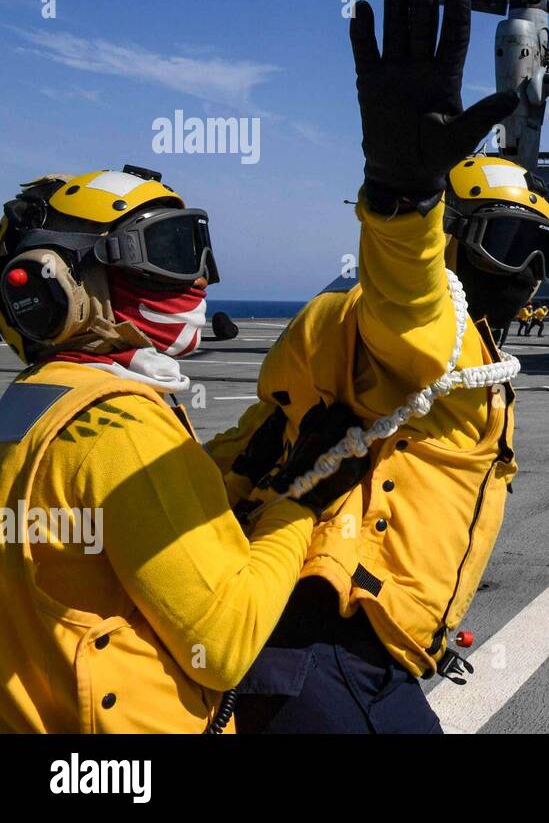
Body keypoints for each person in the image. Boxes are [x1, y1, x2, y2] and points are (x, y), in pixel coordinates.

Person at [207, 0, 549, 734]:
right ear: (454, 239)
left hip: (269, 630)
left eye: (543, 253)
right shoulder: (444, 339)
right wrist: (405, 202)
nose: (526, 274)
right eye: (506, 244)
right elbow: (416, 303)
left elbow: (243, 444)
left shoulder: (337, 316)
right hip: (337, 658)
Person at [0, 167, 362, 733]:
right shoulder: (121, 426)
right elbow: (226, 643)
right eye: (167, 251)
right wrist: (301, 504)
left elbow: (115, 540)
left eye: (195, 247)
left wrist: (236, 480)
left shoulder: (34, 404)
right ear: (57, 280)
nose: (200, 279)